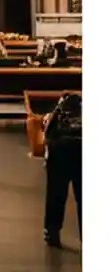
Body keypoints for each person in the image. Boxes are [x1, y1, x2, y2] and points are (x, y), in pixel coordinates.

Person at [42, 93, 82, 247]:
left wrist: (47, 159)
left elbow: (48, 134)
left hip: (59, 153)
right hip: (83, 153)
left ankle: (52, 231)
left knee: (56, 194)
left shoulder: (57, 114)